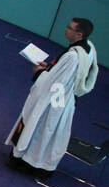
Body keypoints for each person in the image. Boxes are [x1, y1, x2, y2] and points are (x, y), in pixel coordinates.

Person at [8, 18, 97, 178]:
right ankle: (37, 164)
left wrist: (39, 72)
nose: (65, 30)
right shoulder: (89, 48)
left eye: (70, 28)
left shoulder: (73, 56)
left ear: (79, 33)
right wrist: (50, 68)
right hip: (65, 99)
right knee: (48, 134)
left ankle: (27, 163)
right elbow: (70, 75)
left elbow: (56, 83)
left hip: (54, 101)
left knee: (40, 128)